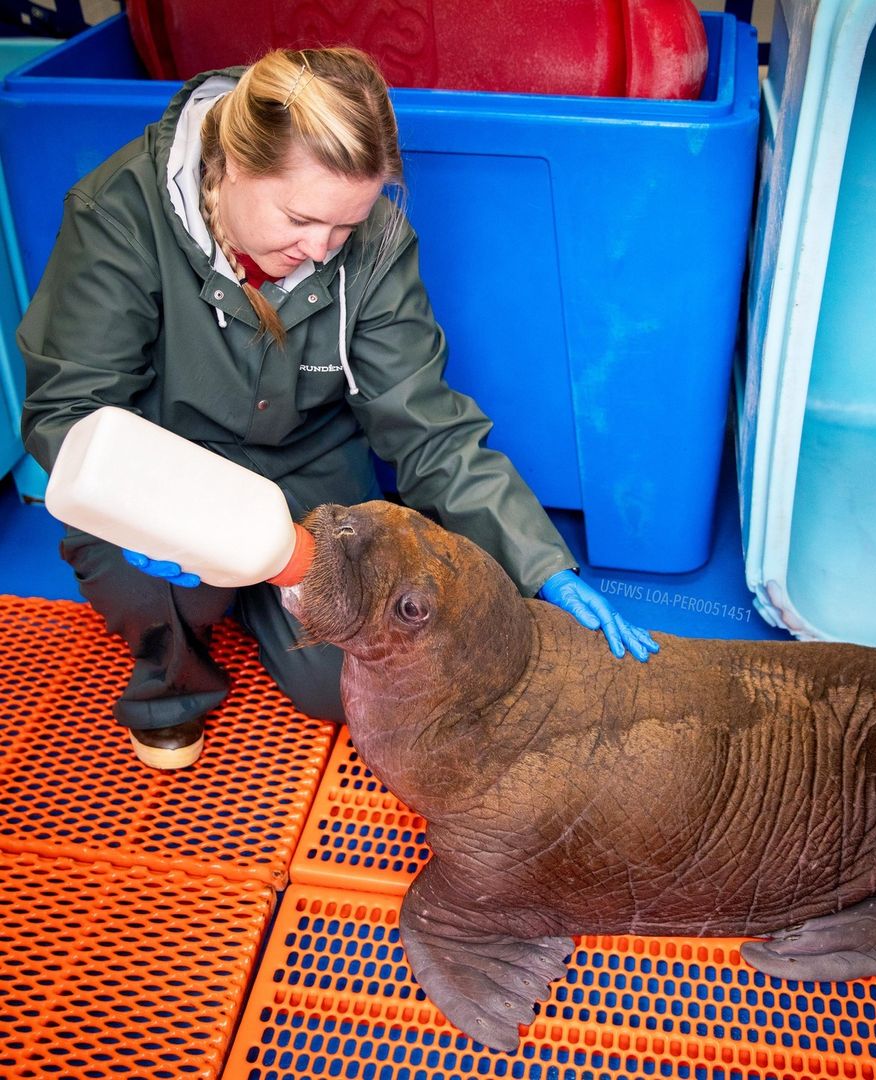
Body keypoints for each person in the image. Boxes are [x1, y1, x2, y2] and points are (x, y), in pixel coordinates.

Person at [19, 46, 659, 771]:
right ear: (230, 163)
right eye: (300, 218)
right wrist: (148, 505)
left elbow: (432, 431)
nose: (321, 250)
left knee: (345, 682)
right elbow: (69, 405)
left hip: (307, 464)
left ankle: (273, 607)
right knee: (163, 592)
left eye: (345, 227)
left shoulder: (377, 246)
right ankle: (170, 685)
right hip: (169, 463)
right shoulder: (120, 215)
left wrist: (544, 567)